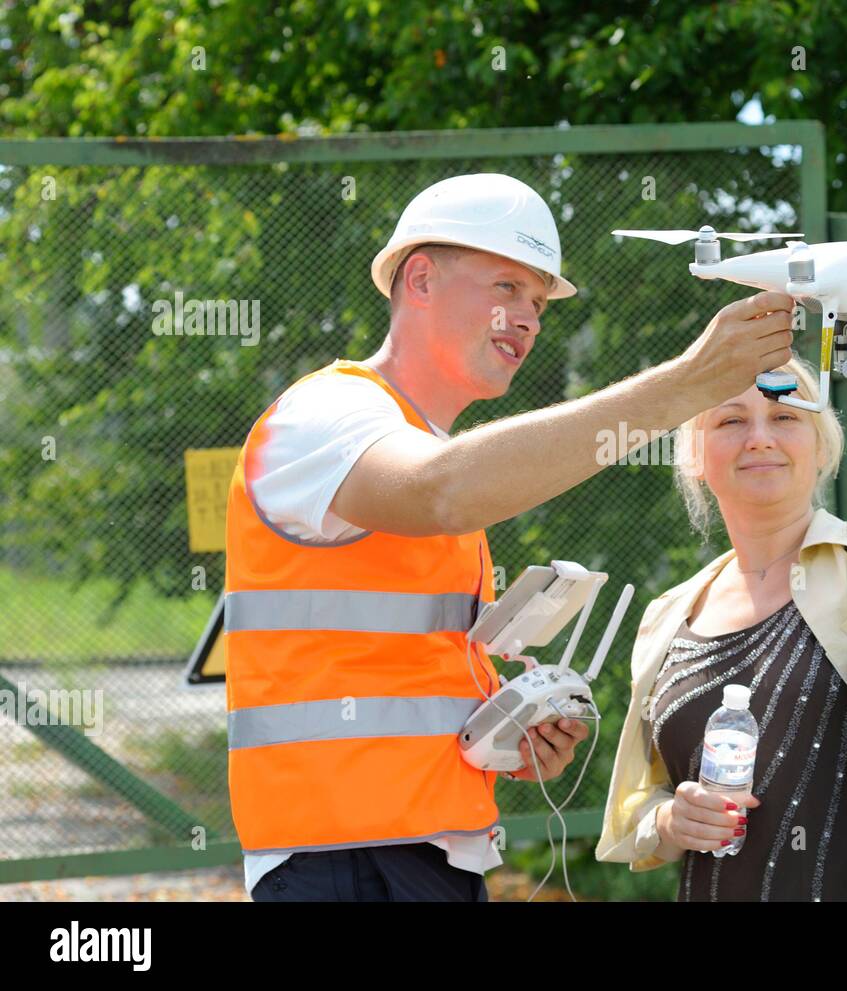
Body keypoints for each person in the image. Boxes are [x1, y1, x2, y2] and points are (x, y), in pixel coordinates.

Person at [224, 173, 796, 901]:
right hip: (343, 864)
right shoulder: (327, 413)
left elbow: (385, 672)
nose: (525, 316)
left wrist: (501, 730)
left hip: (425, 857)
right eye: (504, 286)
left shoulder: (415, 444)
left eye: (535, 301)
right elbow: (443, 489)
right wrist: (684, 384)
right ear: (420, 277)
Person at [595, 317, 847, 901]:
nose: (760, 437)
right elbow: (641, 808)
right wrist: (671, 821)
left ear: (820, 444)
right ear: (695, 457)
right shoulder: (669, 615)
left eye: (784, 416)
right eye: (730, 420)